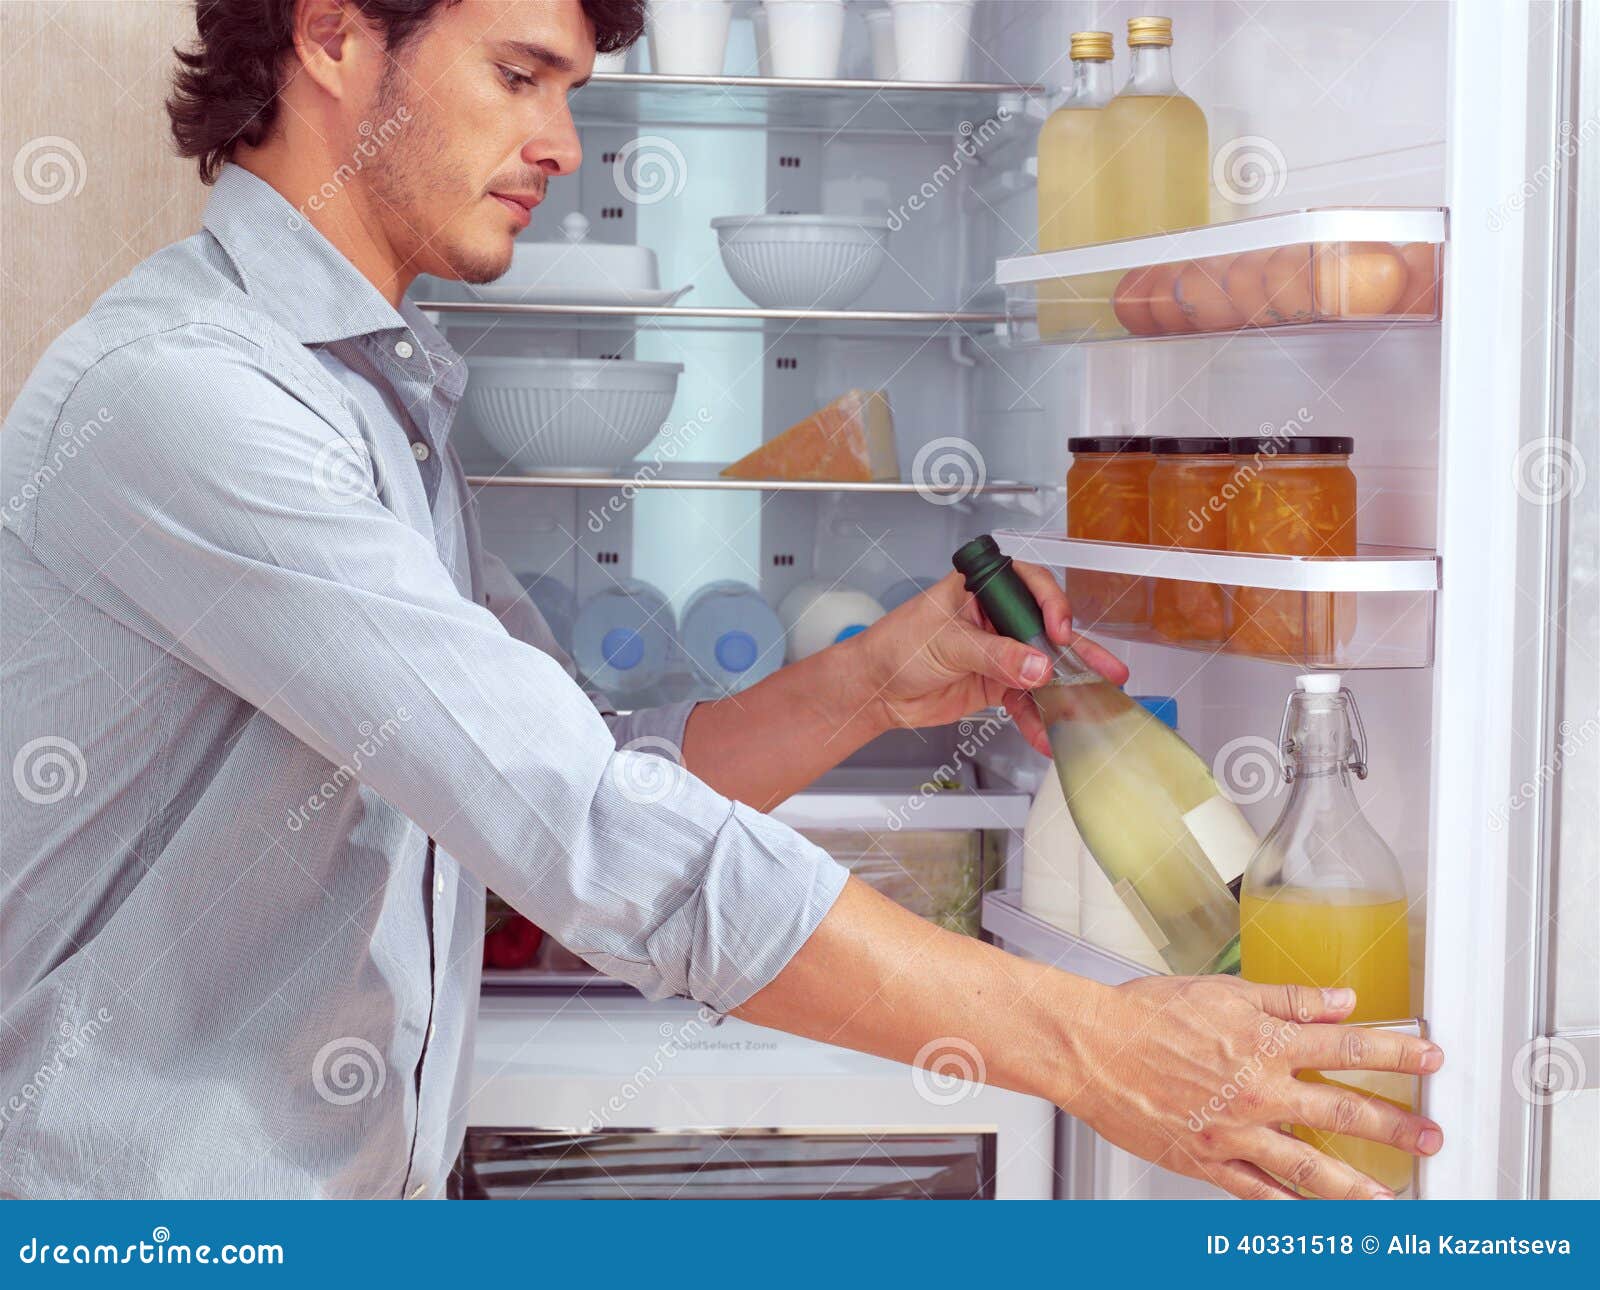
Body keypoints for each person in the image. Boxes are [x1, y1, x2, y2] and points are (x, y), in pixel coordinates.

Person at [0, 0, 1443, 1200]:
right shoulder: (191, 396)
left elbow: (578, 762)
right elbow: (579, 825)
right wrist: (1091, 1045)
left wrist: (874, 680)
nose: (562, 144)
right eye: (519, 77)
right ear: (330, 38)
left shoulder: (374, 396)